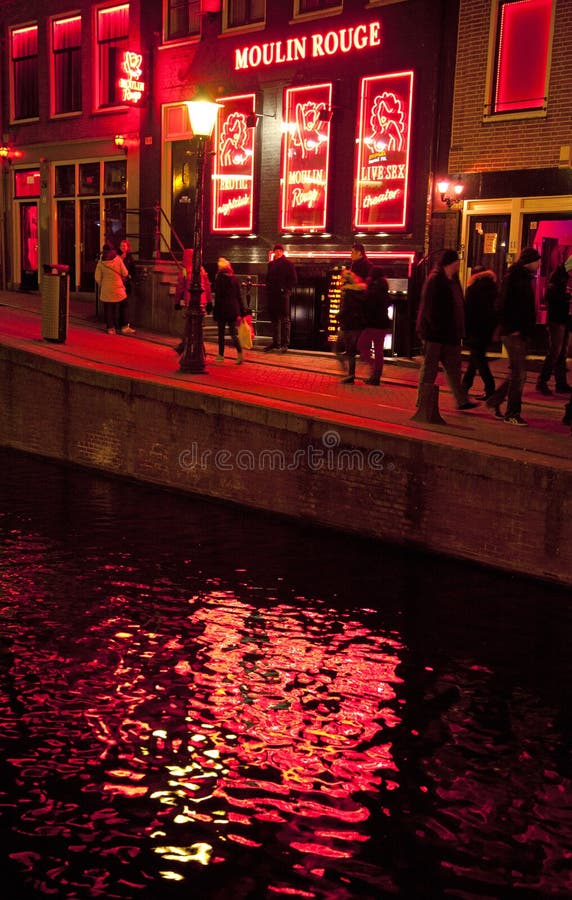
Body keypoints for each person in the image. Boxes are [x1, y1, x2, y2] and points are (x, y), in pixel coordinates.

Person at [415, 249, 477, 411]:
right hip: (435, 335)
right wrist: (437, 328)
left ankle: (462, 400)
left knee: (454, 370)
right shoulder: (435, 280)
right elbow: (430, 309)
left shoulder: (453, 281)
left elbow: (459, 305)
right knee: (430, 369)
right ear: (450, 263)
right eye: (457, 262)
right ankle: (423, 401)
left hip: (451, 335)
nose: (459, 265)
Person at [486, 246, 541, 426]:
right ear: (530, 262)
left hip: (519, 331)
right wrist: (513, 327)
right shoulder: (515, 278)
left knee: (517, 372)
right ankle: (512, 413)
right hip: (513, 332)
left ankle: (495, 401)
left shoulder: (523, 278)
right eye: (537, 260)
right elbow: (503, 304)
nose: (539, 263)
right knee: (520, 373)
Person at [461, 265, 498, 400]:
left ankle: (490, 388)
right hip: (487, 329)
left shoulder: (473, 289)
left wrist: (465, 331)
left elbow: (468, 312)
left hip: (475, 330)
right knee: (475, 359)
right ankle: (464, 386)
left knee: (479, 359)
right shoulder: (492, 288)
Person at [536, 256, 571, 396]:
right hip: (557, 319)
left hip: (565, 318)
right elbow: (552, 298)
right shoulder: (557, 278)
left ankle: (561, 383)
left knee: (562, 351)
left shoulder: (564, 277)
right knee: (555, 351)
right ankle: (542, 381)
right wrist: (568, 297)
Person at [173, 248, 213, 355]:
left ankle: (185, 346)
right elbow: (208, 287)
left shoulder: (185, 271)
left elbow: (180, 287)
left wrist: (177, 302)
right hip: (202, 302)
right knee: (199, 326)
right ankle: (200, 349)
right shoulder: (202, 270)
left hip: (190, 301)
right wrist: (209, 301)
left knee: (188, 324)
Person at [359, 266, 391, 385]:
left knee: (362, 345)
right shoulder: (383, 288)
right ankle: (376, 375)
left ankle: (374, 370)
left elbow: (367, 303)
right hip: (382, 323)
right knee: (379, 351)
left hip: (372, 323)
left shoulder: (373, 288)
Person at [94, 243, 135, 335]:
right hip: (118, 289)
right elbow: (125, 273)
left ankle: (110, 328)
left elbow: (97, 277)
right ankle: (124, 326)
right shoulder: (118, 260)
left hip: (106, 289)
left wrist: (103, 284)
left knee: (108, 308)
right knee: (124, 305)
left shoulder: (100, 262)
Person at [213, 257, 247, 364]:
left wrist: (215, 312)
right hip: (233, 310)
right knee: (233, 333)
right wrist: (242, 312)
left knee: (221, 333)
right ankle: (240, 353)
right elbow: (239, 296)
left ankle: (220, 355)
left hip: (222, 310)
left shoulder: (219, 279)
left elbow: (218, 297)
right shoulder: (235, 279)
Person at [336, 268, 367, 384]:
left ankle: (350, 375)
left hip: (348, 324)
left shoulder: (347, 293)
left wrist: (338, 316)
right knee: (351, 350)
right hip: (358, 325)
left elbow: (345, 309)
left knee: (345, 349)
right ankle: (351, 373)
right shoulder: (359, 291)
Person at [265, 243, 297, 352]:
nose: (277, 252)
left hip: (282, 294)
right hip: (275, 294)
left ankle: (284, 343)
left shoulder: (288, 264)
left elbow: (293, 279)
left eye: (279, 250)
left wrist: (284, 289)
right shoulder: (272, 264)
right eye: (276, 250)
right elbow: (268, 279)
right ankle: (277, 343)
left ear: (282, 252)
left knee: (284, 319)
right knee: (275, 319)